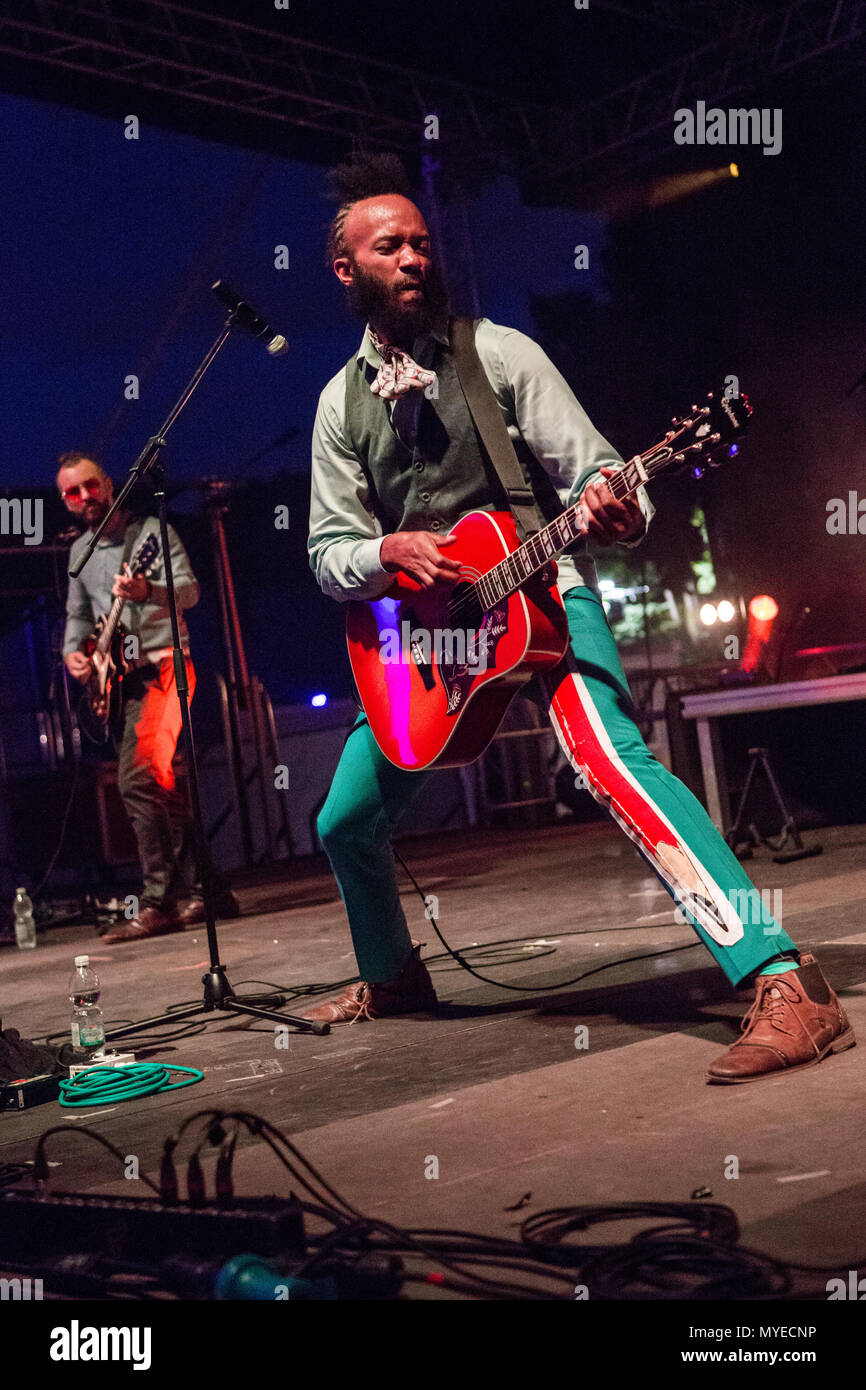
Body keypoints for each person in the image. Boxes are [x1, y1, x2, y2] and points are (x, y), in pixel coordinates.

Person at [304, 155, 854, 1084]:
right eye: (388, 245)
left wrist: (613, 500)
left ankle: (784, 977)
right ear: (345, 270)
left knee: (611, 763)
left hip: (544, 596)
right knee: (344, 820)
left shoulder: (501, 352)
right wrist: (387, 553)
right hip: (423, 644)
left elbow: (599, 475)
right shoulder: (336, 405)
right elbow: (327, 557)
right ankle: (393, 978)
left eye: (422, 244)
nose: (412, 259)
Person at [57, 451, 237, 941]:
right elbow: (78, 615)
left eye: (89, 486)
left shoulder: (151, 535)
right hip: (118, 681)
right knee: (154, 781)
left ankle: (158, 901)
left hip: (164, 666)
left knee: (136, 780)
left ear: (108, 483)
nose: (83, 498)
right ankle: (208, 890)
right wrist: (75, 653)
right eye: (71, 493)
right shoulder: (79, 553)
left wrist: (147, 592)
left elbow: (191, 593)